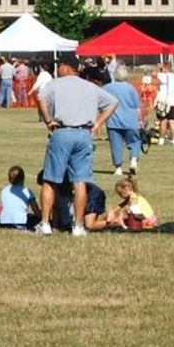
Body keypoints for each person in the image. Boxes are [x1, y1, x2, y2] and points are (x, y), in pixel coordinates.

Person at [34, 54, 118, 237]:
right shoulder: (90, 86)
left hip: (62, 132)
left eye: (59, 66)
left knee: (50, 179)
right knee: (80, 181)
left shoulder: (56, 84)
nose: (58, 69)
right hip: (83, 134)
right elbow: (112, 102)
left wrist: (48, 120)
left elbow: (40, 98)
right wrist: (97, 123)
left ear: (65, 67)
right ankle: (78, 226)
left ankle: (46, 223)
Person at [103, 65, 142, 176]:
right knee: (135, 141)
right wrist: (141, 120)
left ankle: (118, 167)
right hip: (131, 120)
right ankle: (134, 159)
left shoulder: (107, 87)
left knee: (116, 145)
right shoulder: (131, 88)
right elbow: (136, 106)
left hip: (113, 120)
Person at [154, 62, 174, 146]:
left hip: (163, 101)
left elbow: (153, 74)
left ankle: (161, 139)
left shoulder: (162, 76)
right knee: (172, 121)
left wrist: (158, 68)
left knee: (163, 121)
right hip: (172, 101)